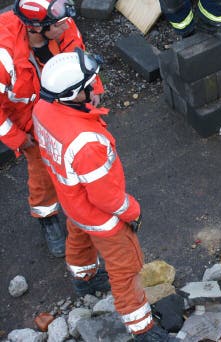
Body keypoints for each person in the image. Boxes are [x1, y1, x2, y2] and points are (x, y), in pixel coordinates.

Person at [32, 50, 168, 342]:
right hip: (101, 218)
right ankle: (144, 330)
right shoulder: (87, 143)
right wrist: (132, 211)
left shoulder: (43, 108)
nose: (95, 88)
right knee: (126, 269)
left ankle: (85, 280)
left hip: (72, 201)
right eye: (90, 85)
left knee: (78, 238)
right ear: (74, 95)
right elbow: (106, 198)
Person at [0, 0, 101, 257]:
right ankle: (47, 218)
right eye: (58, 24)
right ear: (35, 29)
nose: (66, 25)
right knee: (43, 173)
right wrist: (18, 138)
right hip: (30, 124)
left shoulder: (61, 25)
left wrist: (95, 90)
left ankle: (88, 200)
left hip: (64, 107)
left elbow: (81, 58)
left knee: (82, 158)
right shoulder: (4, 54)